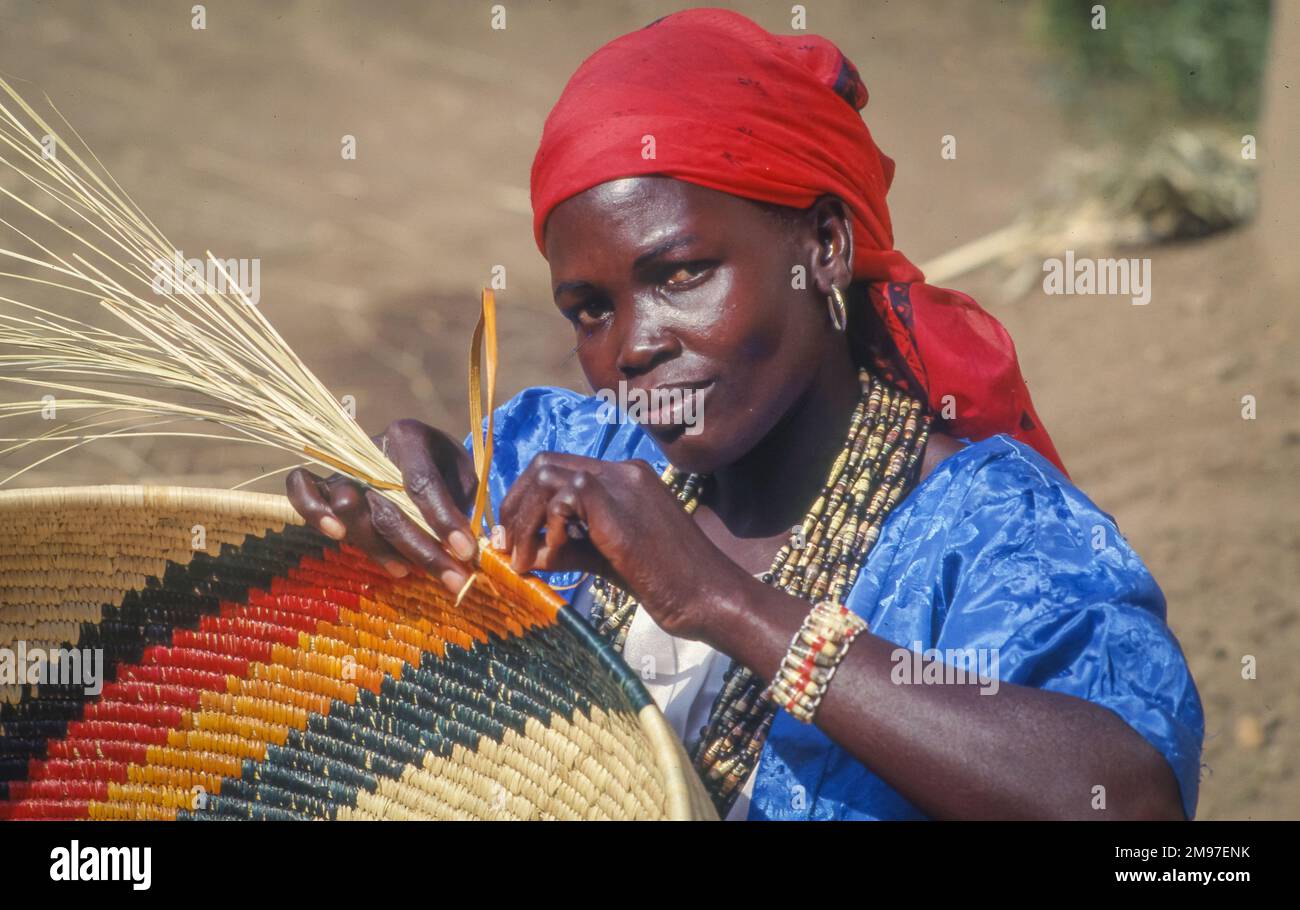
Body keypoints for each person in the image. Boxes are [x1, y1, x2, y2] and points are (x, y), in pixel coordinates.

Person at [286, 8, 1203, 821]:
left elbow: (1131, 804)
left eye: (681, 273)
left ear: (826, 246)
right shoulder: (563, 454)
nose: (632, 347)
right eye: (589, 309)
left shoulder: (991, 535)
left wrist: (726, 604)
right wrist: (395, 521)